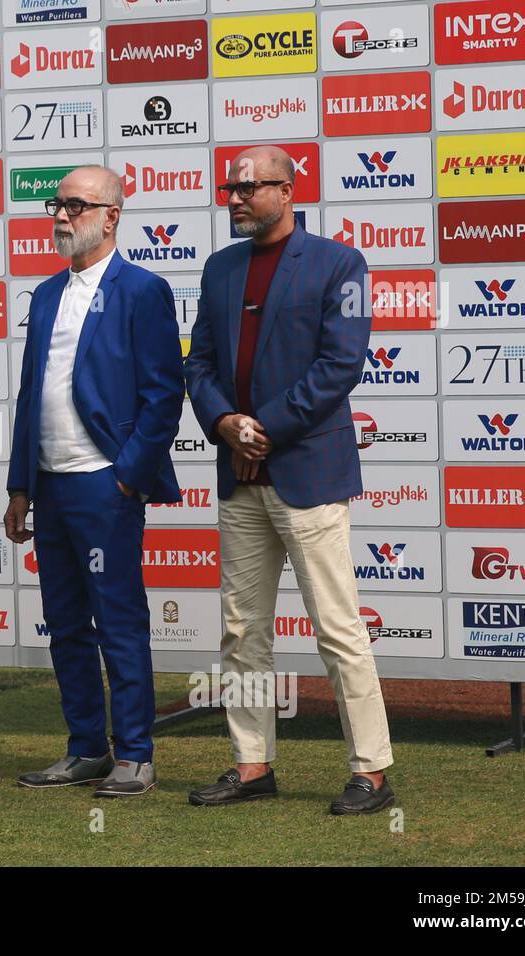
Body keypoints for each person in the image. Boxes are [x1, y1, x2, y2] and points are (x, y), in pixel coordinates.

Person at [183, 145, 397, 815]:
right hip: (241, 478)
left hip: (306, 472)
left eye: (251, 187)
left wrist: (261, 430)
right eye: (230, 189)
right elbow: (200, 365)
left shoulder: (340, 263)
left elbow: (340, 366)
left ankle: (372, 769)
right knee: (242, 630)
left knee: (337, 628)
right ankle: (252, 765)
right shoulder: (219, 269)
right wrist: (224, 424)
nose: (237, 198)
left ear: (289, 188)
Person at [3, 165, 185, 798]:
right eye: (56, 205)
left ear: (111, 215)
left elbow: (165, 395)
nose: (60, 216)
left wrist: (128, 477)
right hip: (49, 487)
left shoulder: (142, 289)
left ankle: (135, 753)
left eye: (75, 206)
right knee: (66, 625)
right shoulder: (47, 293)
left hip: (104, 485)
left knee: (120, 621)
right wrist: (19, 486)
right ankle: (86, 749)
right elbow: (31, 394)